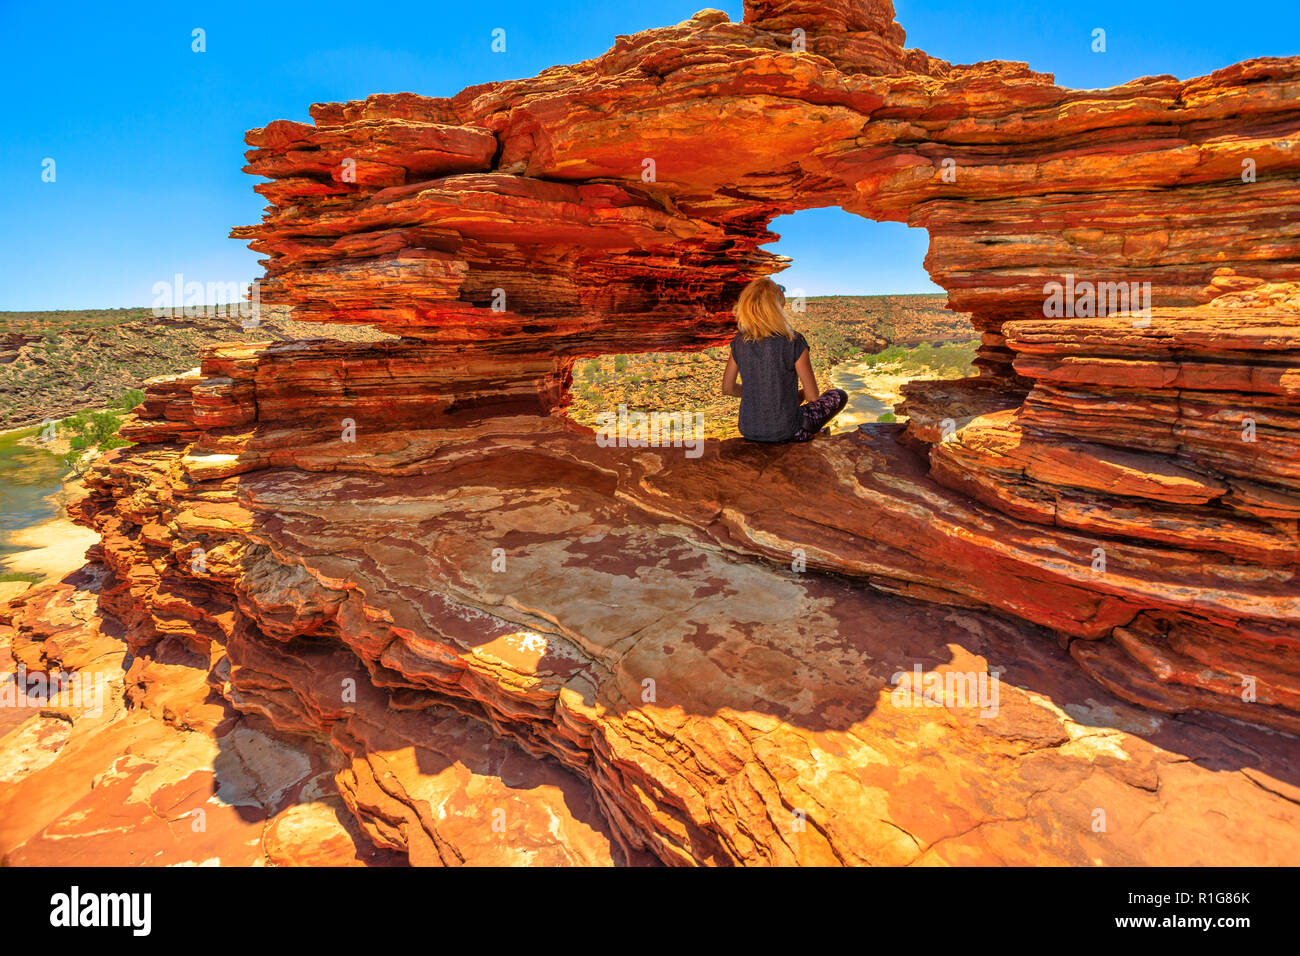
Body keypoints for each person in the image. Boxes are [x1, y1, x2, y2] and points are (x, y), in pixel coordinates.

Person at [720, 277, 848, 443]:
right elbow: (812, 396)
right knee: (838, 395)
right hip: (788, 431)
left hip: (749, 430)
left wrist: (760, 394)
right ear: (776, 305)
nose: (783, 291)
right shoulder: (793, 340)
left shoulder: (739, 341)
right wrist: (794, 396)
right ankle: (810, 434)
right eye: (780, 289)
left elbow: (728, 388)